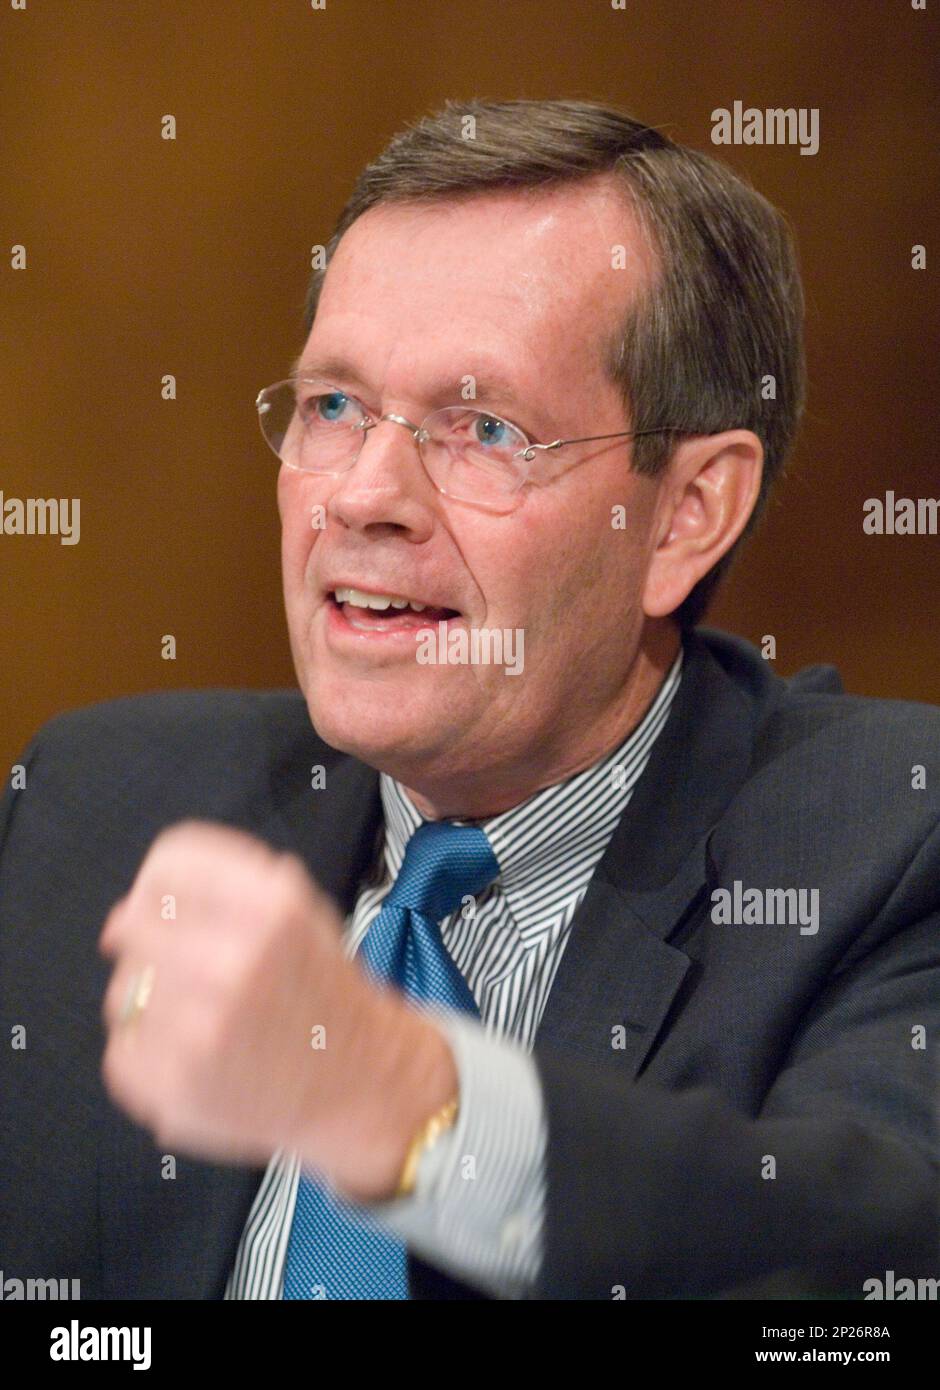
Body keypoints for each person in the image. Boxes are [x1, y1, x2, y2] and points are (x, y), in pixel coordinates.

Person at [1, 99, 937, 1301]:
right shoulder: (99, 803)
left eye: (484, 428)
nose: (362, 497)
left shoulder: (885, 844)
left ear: (684, 512)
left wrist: (396, 1101)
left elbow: (868, 1271)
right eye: (333, 406)